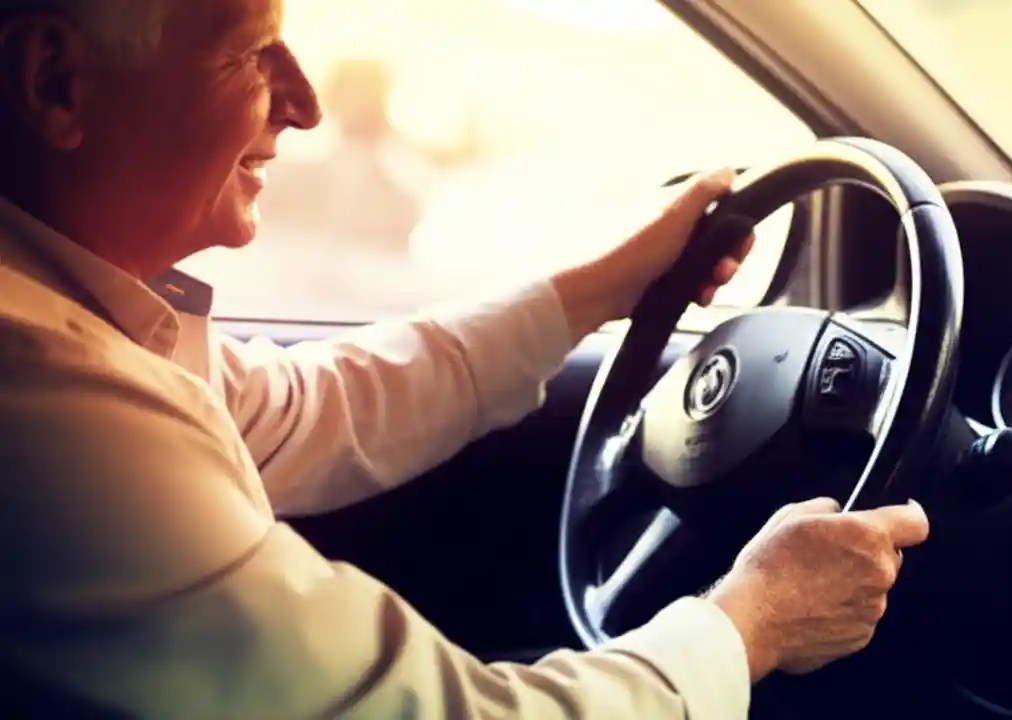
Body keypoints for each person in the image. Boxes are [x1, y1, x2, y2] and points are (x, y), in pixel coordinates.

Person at [0, 1, 930, 718]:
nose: (306, 102)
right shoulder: (47, 407)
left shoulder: (77, 324)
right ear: (57, 86)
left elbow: (323, 405)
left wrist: (609, 283)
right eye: (249, 52)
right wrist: (758, 618)